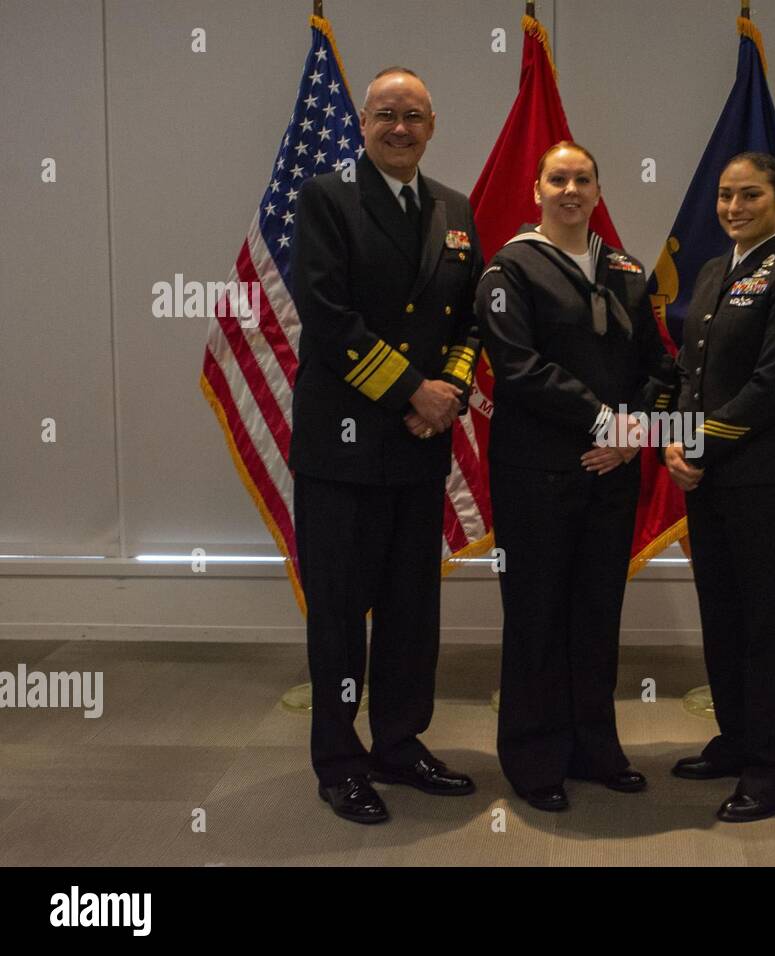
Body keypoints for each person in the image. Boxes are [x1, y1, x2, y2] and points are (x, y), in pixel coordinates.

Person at [291, 66, 482, 824]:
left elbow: (470, 320)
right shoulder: (327, 197)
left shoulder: (456, 208)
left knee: (411, 609)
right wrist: (416, 391)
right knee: (339, 614)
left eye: (414, 116)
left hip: (418, 445)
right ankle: (339, 762)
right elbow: (328, 315)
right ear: (363, 124)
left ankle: (400, 744)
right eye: (386, 115)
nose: (399, 128)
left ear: (432, 126)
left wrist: (451, 394)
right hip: (342, 451)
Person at [476, 142, 675, 812]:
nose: (570, 189)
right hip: (538, 473)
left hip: (612, 473)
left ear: (598, 190)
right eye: (557, 178)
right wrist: (604, 422)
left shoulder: (623, 268)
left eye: (582, 179)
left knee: (596, 614)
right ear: (537, 189)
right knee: (537, 615)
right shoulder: (511, 268)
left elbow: (659, 367)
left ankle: (595, 747)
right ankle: (534, 758)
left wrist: (632, 436)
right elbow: (518, 367)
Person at [664, 152, 775, 823]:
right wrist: (674, 435)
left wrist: (699, 447)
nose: (733, 207)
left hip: (770, 480)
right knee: (724, 616)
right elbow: (691, 372)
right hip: (711, 480)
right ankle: (738, 739)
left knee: (773, 626)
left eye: (750, 195)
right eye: (726, 196)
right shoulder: (710, 271)